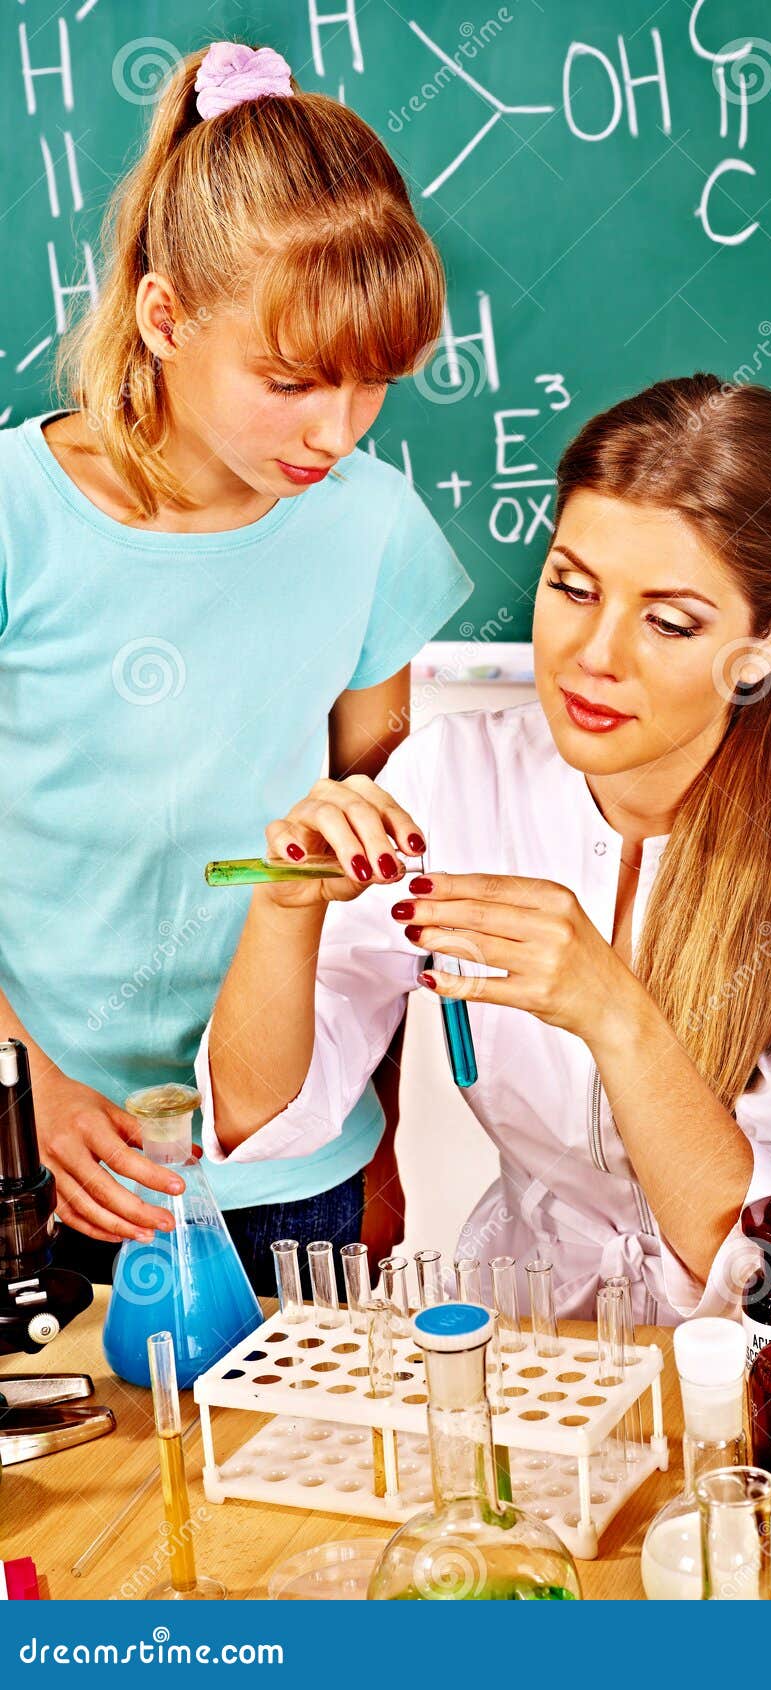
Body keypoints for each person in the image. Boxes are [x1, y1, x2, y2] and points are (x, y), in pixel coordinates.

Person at [200, 375, 771, 1323]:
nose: (594, 653)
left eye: (669, 622)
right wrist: (283, 914)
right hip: (533, 1339)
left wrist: (613, 1011)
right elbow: (264, 1124)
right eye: (571, 588)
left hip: (770, 1370)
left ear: (767, 636)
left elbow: (760, 1257)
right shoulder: (453, 779)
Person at [0, 42, 471, 1292]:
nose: (338, 430)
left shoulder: (373, 532)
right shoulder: (15, 516)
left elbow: (369, 881)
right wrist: (25, 1083)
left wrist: (380, 1133)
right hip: (40, 1166)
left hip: (289, 1173)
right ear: (163, 317)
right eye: (291, 380)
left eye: (372, 383)